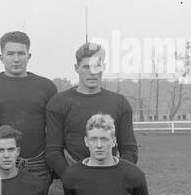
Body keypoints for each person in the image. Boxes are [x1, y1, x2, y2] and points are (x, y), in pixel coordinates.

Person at [44, 41, 139, 180]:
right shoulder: (59, 103)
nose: (92, 72)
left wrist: (117, 175)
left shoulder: (119, 103)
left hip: (110, 180)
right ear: (76, 68)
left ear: (104, 67)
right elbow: (53, 151)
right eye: (86, 67)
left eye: (97, 66)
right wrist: (72, 178)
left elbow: (129, 149)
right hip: (71, 181)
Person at [0, 32, 58, 184]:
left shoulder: (46, 87)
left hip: (37, 164)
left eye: (21, 53)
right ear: (1, 57)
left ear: (29, 56)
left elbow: (54, 130)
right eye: (10, 53)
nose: (16, 59)